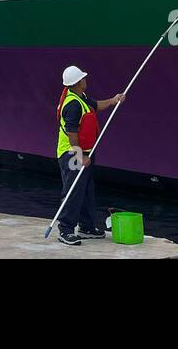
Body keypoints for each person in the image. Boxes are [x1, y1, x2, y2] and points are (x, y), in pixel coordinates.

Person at [55, 65, 123, 245]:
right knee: (73, 190)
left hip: (84, 152)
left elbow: (97, 105)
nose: (86, 80)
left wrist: (114, 100)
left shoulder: (81, 98)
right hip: (72, 154)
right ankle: (65, 229)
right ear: (78, 83)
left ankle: (86, 227)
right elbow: (71, 133)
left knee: (86, 190)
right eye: (83, 78)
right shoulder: (73, 105)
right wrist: (79, 156)